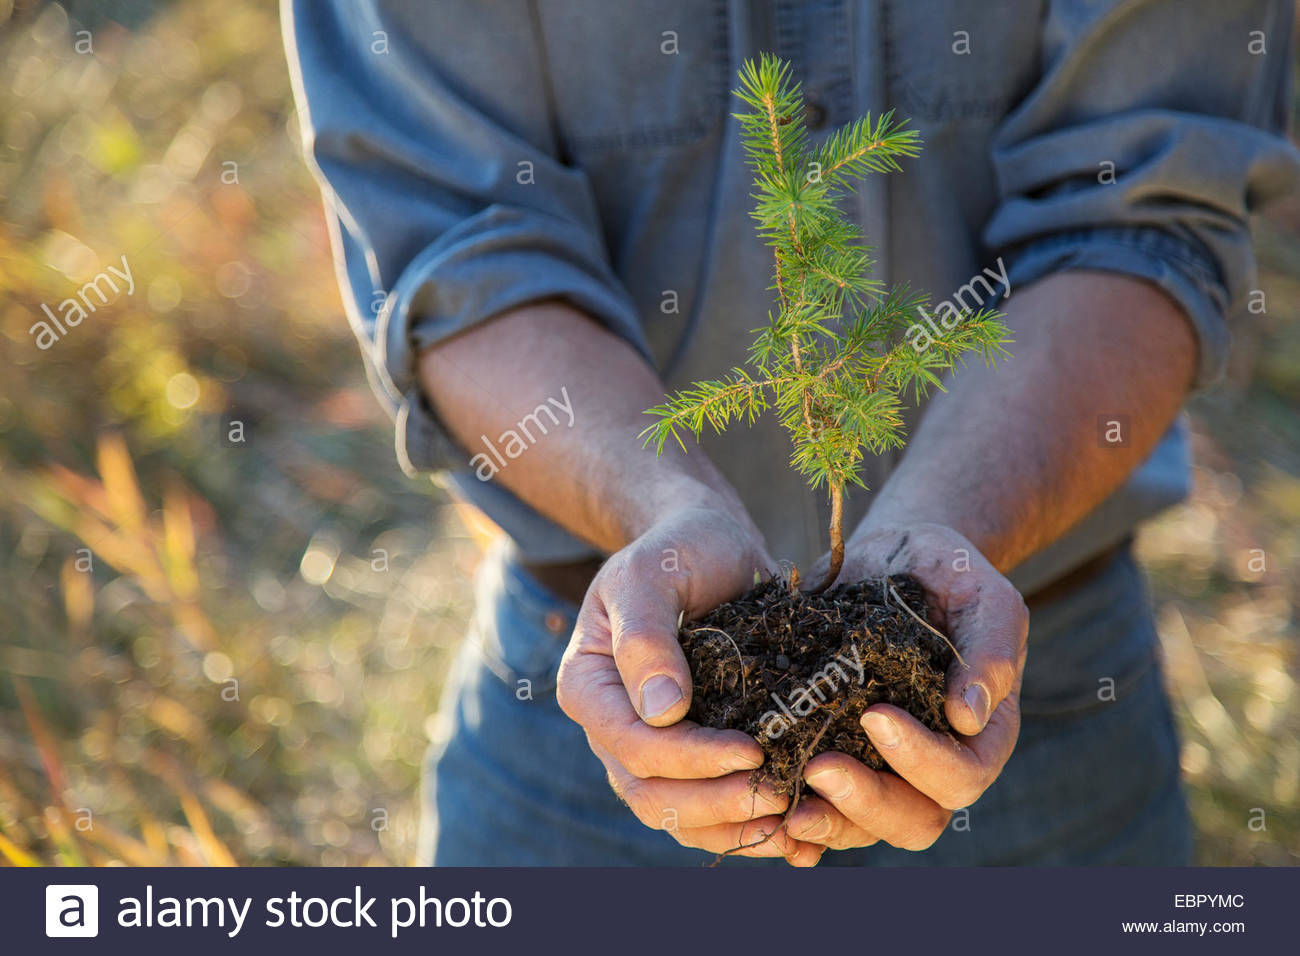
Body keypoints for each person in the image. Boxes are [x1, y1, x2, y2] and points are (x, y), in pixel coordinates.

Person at [283, 0, 1299, 865]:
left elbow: (1138, 214)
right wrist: (665, 506)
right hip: (602, 689)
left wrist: (943, 531)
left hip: (1027, 687)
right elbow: (457, 248)